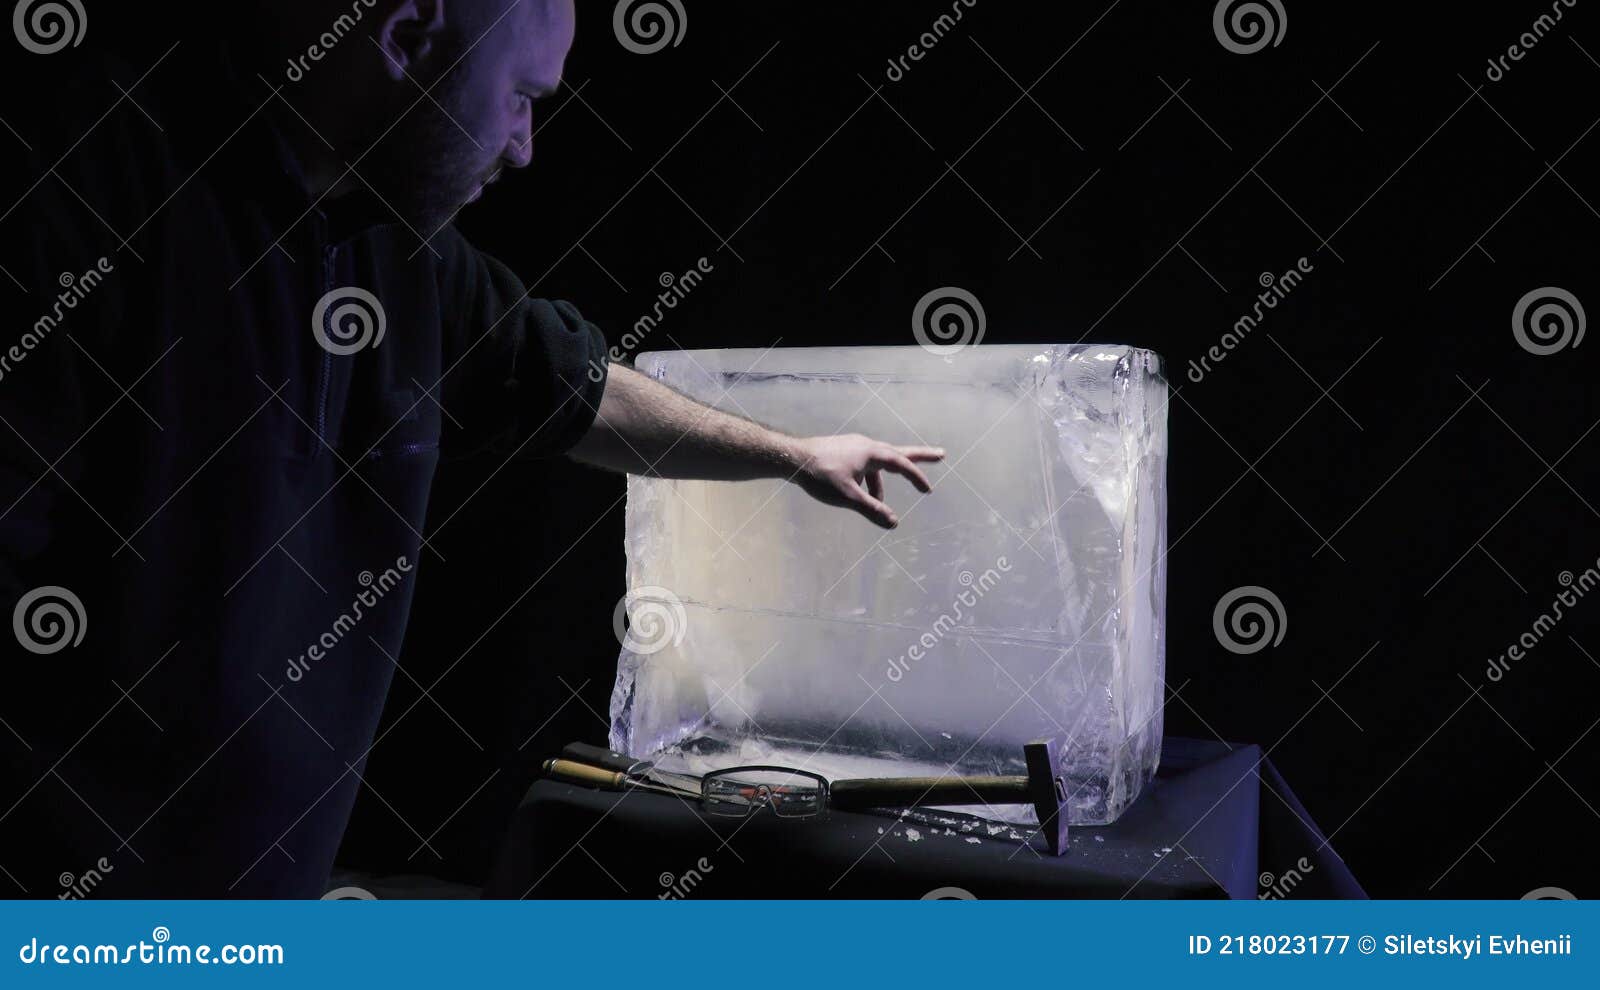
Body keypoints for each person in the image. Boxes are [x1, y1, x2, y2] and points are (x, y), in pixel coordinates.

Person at [0, 0, 941, 897]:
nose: (525, 146)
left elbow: (580, 391)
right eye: (521, 96)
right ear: (406, 35)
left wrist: (793, 454)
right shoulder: (85, 191)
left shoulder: (409, 259)